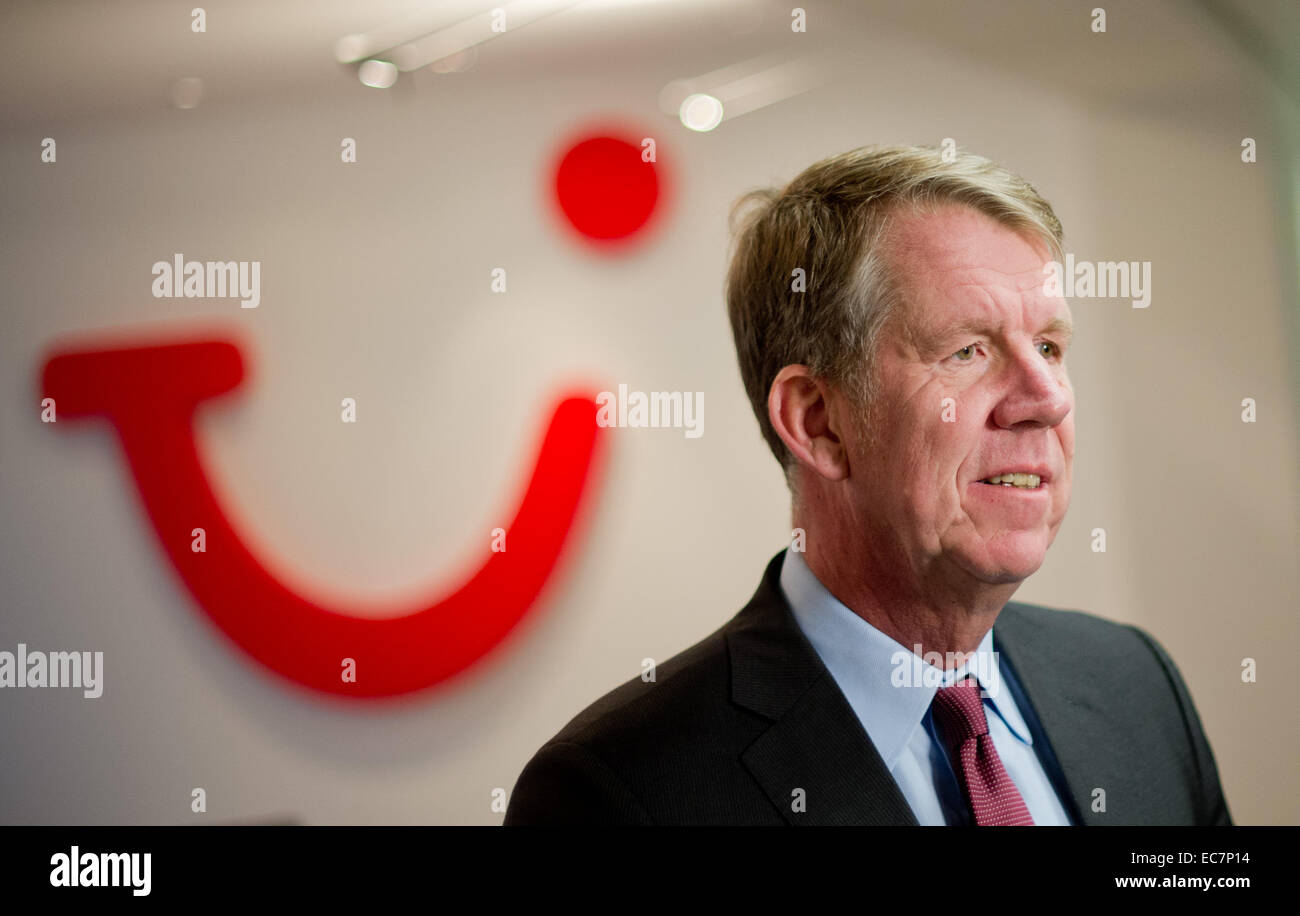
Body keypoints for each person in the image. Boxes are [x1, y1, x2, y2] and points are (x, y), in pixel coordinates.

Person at [503, 144, 1232, 826]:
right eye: (968, 350)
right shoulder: (617, 793)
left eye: (1048, 345)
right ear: (819, 422)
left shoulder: (1136, 684)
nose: (1046, 398)